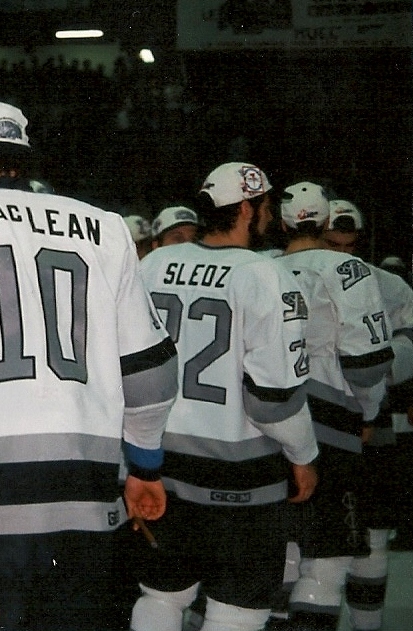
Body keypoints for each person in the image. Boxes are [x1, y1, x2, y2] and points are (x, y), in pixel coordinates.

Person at [0, 101, 178, 630]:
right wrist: (145, 466)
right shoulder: (104, 226)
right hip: (86, 489)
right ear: (25, 158)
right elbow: (152, 371)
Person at [133, 162, 320, 631]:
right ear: (245, 207)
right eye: (264, 205)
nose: (269, 214)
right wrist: (304, 453)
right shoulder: (265, 274)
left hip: (158, 462)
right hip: (241, 472)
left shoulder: (153, 264)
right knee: (237, 609)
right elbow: (273, 397)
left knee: (160, 596)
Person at [273, 182, 393, 630]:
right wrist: (369, 412)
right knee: (326, 564)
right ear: (325, 222)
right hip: (330, 419)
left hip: (266, 418)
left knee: (283, 553)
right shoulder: (349, 269)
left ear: (282, 222)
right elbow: (367, 364)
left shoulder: (258, 267)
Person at [321, 198, 413, 629]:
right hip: (316, 420)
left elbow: (409, 343)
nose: (341, 254)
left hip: (369, 424)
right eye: (332, 244)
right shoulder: (285, 272)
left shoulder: (388, 284)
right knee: (309, 542)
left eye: (349, 246)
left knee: (374, 536)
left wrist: (377, 376)